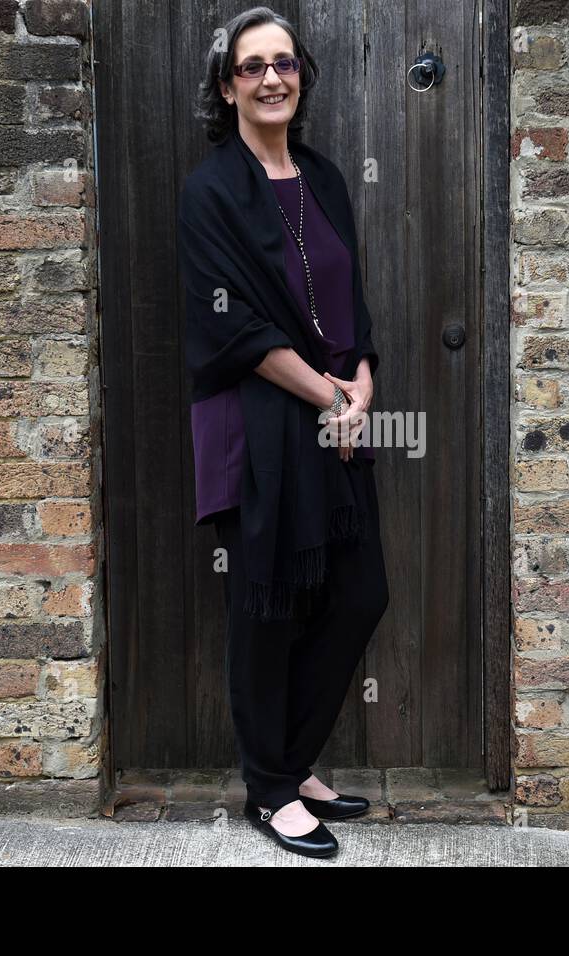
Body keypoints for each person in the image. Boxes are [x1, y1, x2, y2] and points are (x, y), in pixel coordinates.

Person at [177, 6, 390, 859]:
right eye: (252, 66)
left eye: (285, 63)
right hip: (258, 425)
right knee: (266, 606)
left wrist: (363, 379)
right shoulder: (210, 192)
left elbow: (352, 299)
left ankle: (291, 764)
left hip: (338, 421)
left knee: (359, 594)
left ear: (301, 75)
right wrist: (329, 397)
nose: (272, 78)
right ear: (227, 87)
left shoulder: (326, 178)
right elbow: (230, 328)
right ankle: (269, 791)